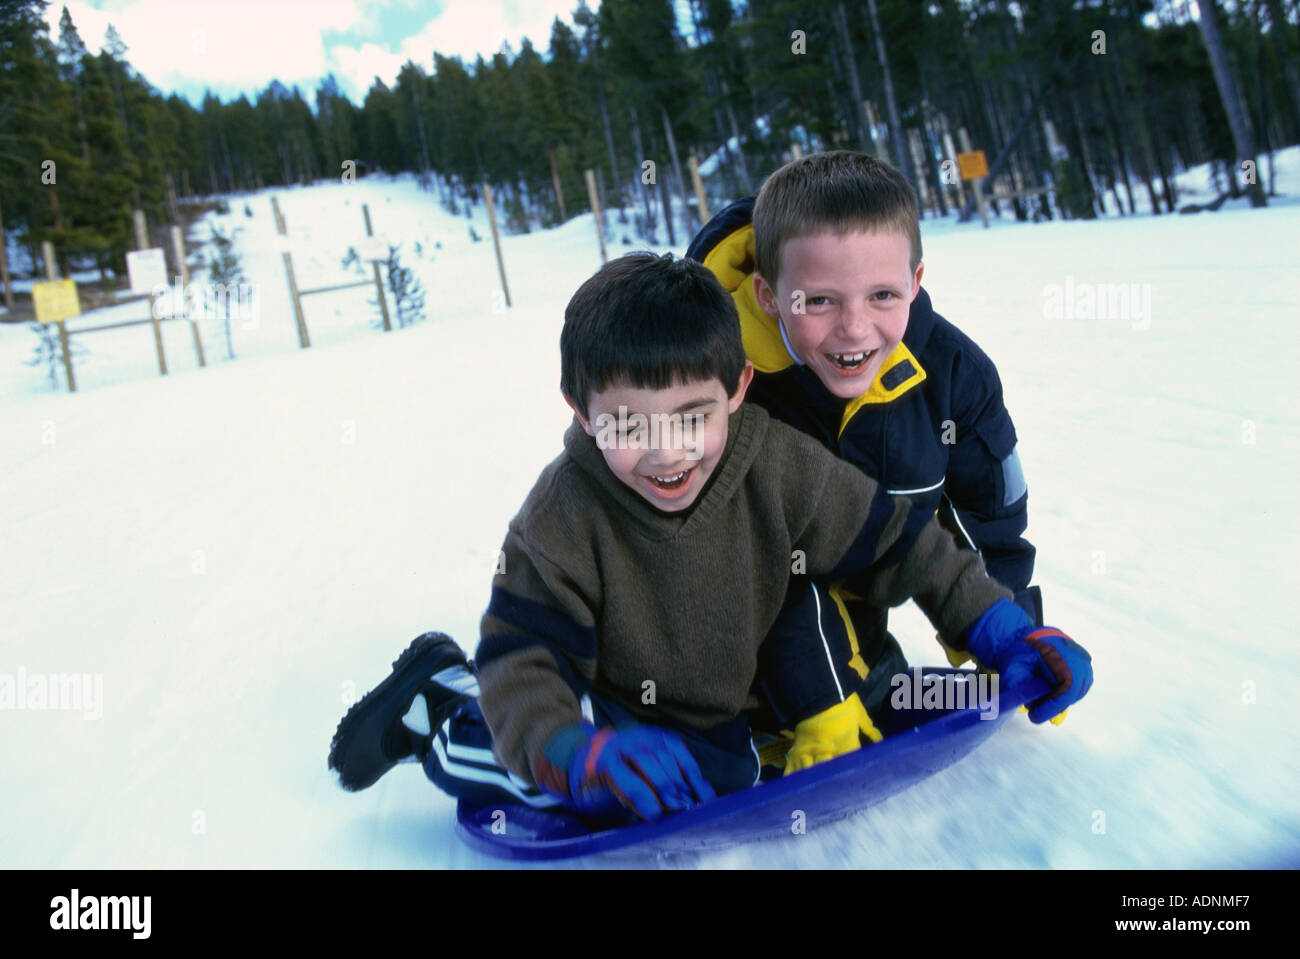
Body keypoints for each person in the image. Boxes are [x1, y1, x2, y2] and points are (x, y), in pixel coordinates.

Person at [328, 253, 1092, 823]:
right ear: (582, 408)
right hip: (608, 711)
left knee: (720, 779)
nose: (668, 452)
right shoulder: (560, 515)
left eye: (694, 415)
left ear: (737, 389)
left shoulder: (780, 462)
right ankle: (442, 702)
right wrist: (572, 751)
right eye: (628, 424)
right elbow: (525, 656)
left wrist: (1001, 628)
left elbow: (904, 544)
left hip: (716, 713)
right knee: (581, 781)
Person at [686, 149, 1055, 727]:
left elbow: (991, 517)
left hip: (850, 648)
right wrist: (818, 700)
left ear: (915, 282)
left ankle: (852, 689)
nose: (854, 328)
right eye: (820, 300)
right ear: (768, 296)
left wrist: (1008, 634)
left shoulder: (954, 376)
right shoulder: (707, 382)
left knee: (899, 698)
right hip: (691, 647)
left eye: (882, 295)